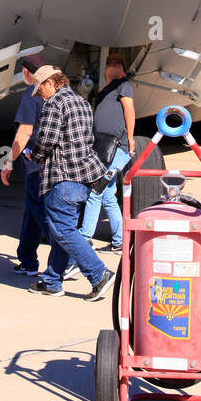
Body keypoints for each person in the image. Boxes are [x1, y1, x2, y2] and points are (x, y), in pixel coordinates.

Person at [26, 67, 116, 301]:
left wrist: (33, 156)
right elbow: (87, 139)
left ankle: (99, 274)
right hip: (81, 176)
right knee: (62, 230)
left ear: (50, 83)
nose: (41, 96)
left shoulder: (55, 104)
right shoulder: (82, 102)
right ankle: (52, 281)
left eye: (41, 90)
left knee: (63, 231)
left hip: (61, 175)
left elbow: (46, 140)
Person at [0, 53, 57, 277]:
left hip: (36, 165)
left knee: (42, 212)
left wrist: (8, 161)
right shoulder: (55, 94)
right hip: (51, 162)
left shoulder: (30, 94)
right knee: (32, 213)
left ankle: (68, 255)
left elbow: (24, 132)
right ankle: (27, 259)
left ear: (26, 73)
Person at [80, 54, 136, 253]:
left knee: (96, 190)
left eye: (117, 62)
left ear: (123, 69)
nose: (112, 64)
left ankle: (85, 237)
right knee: (107, 196)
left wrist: (130, 138)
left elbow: (129, 110)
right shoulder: (105, 91)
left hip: (117, 147)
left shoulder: (124, 85)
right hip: (103, 147)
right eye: (109, 62)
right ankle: (120, 241)